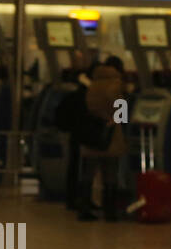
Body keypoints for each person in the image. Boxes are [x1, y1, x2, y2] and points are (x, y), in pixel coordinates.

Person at [53, 60, 125, 221]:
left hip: (91, 135)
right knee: (110, 174)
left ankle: (84, 208)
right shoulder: (115, 87)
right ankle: (110, 212)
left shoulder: (92, 87)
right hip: (111, 135)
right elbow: (122, 114)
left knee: (87, 174)